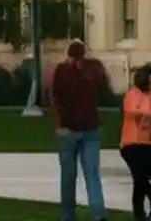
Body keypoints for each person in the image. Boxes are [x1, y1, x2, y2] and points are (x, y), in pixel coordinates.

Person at [50, 40, 107, 221]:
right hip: (90, 127)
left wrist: (61, 122)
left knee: (68, 177)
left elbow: (55, 97)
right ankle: (98, 213)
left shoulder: (62, 71)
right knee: (93, 174)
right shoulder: (94, 69)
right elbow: (104, 90)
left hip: (68, 129)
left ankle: (67, 216)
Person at [121, 63, 151, 221]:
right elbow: (136, 111)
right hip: (133, 144)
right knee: (140, 178)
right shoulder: (132, 94)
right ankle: (145, 211)